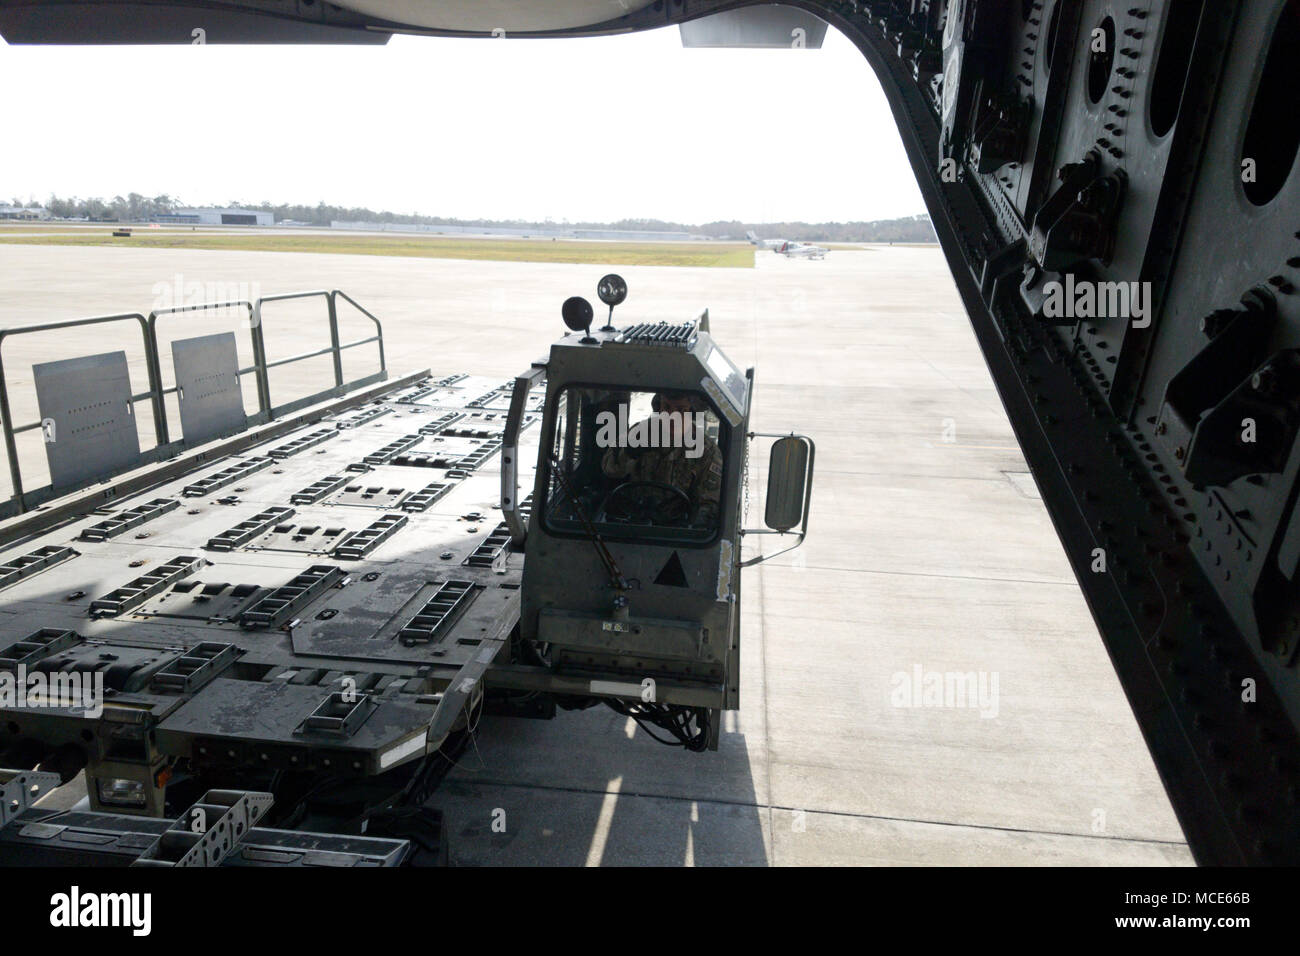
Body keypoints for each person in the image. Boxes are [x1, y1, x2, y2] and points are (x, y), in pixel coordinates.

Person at [600, 391, 722, 526]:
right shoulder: (640, 433)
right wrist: (628, 452)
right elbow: (608, 469)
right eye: (667, 407)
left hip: (675, 532)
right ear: (659, 408)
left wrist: (693, 534)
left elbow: (709, 505)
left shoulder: (705, 451)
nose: (672, 416)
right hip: (633, 522)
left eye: (681, 410)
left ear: (692, 413)